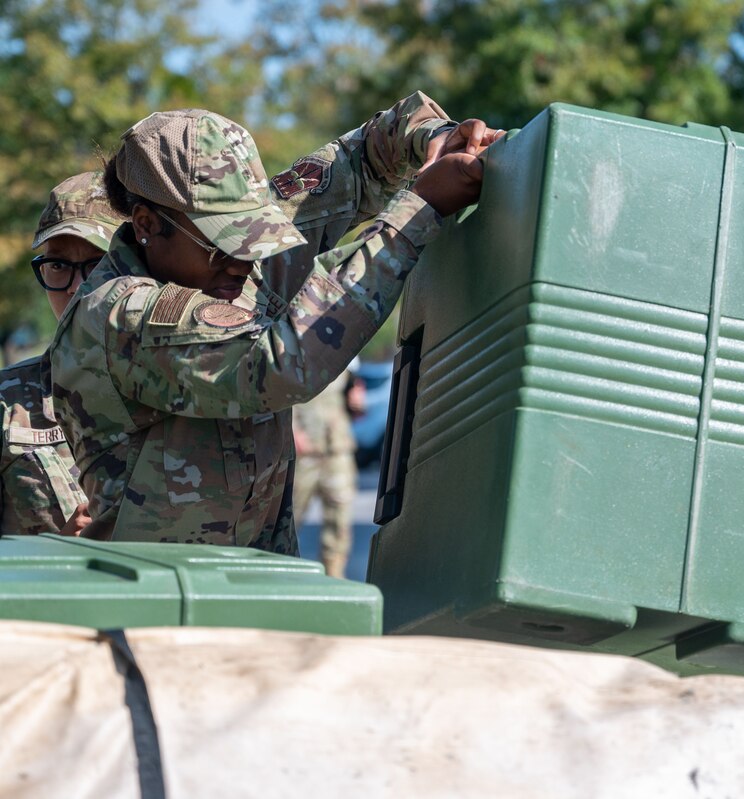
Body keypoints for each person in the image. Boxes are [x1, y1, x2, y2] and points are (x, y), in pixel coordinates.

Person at [49, 95, 496, 553]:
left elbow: (359, 160)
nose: (244, 262)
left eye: (251, 235)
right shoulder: (120, 315)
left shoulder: (214, 261)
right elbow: (281, 364)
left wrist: (434, 138)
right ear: (145, 224)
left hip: (251, 591)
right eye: (223, 244)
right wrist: (416, 212)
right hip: (163, 602)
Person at [0, 172, 123, 535]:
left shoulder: (192, 388)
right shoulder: (9, 401)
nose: (77, 288)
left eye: (99, 264)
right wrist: (60, 551)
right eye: (57, 265)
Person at [291, 363, 361, 578]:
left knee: (340, 513)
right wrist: (291, 432)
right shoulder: (294, 359)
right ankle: (279, 572)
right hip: (305, 450)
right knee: (290, 516)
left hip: (337, 449)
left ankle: (335, 574)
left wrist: (357, 401)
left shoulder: (347, 367)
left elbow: (356, 404)